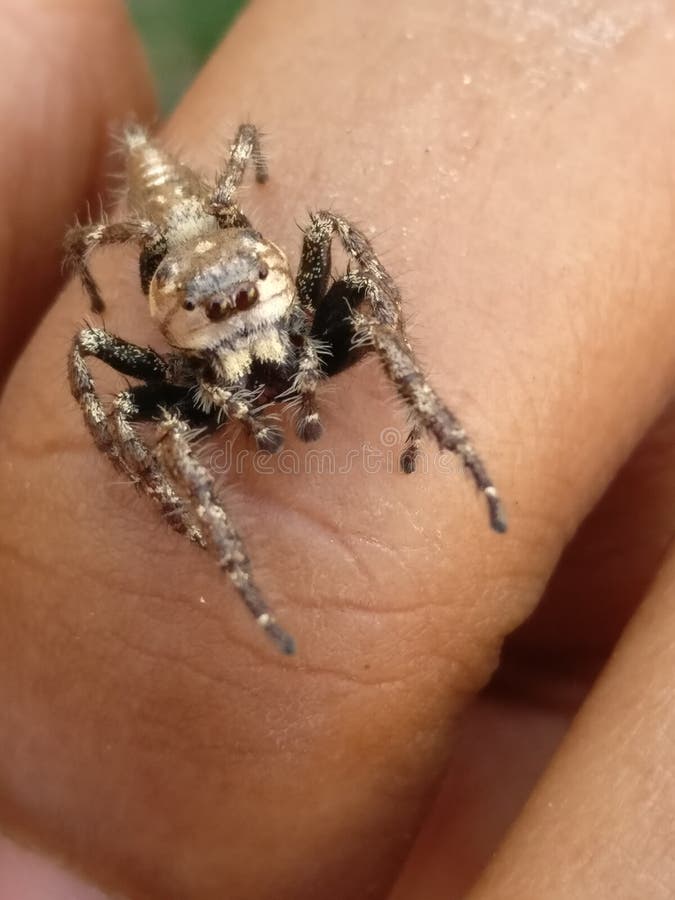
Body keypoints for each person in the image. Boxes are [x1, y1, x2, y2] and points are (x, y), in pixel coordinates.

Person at [0, 1, 673, 898]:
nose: (268, 388)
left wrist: (420, 387)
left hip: (253, 291)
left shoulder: (309, 304)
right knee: (109, 386)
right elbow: (105, 386)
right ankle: (232, 559)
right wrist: (177, 507)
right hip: (203, 285)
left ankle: (453, 454)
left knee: (344, 277)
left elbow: (348, 256)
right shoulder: (151, 292)